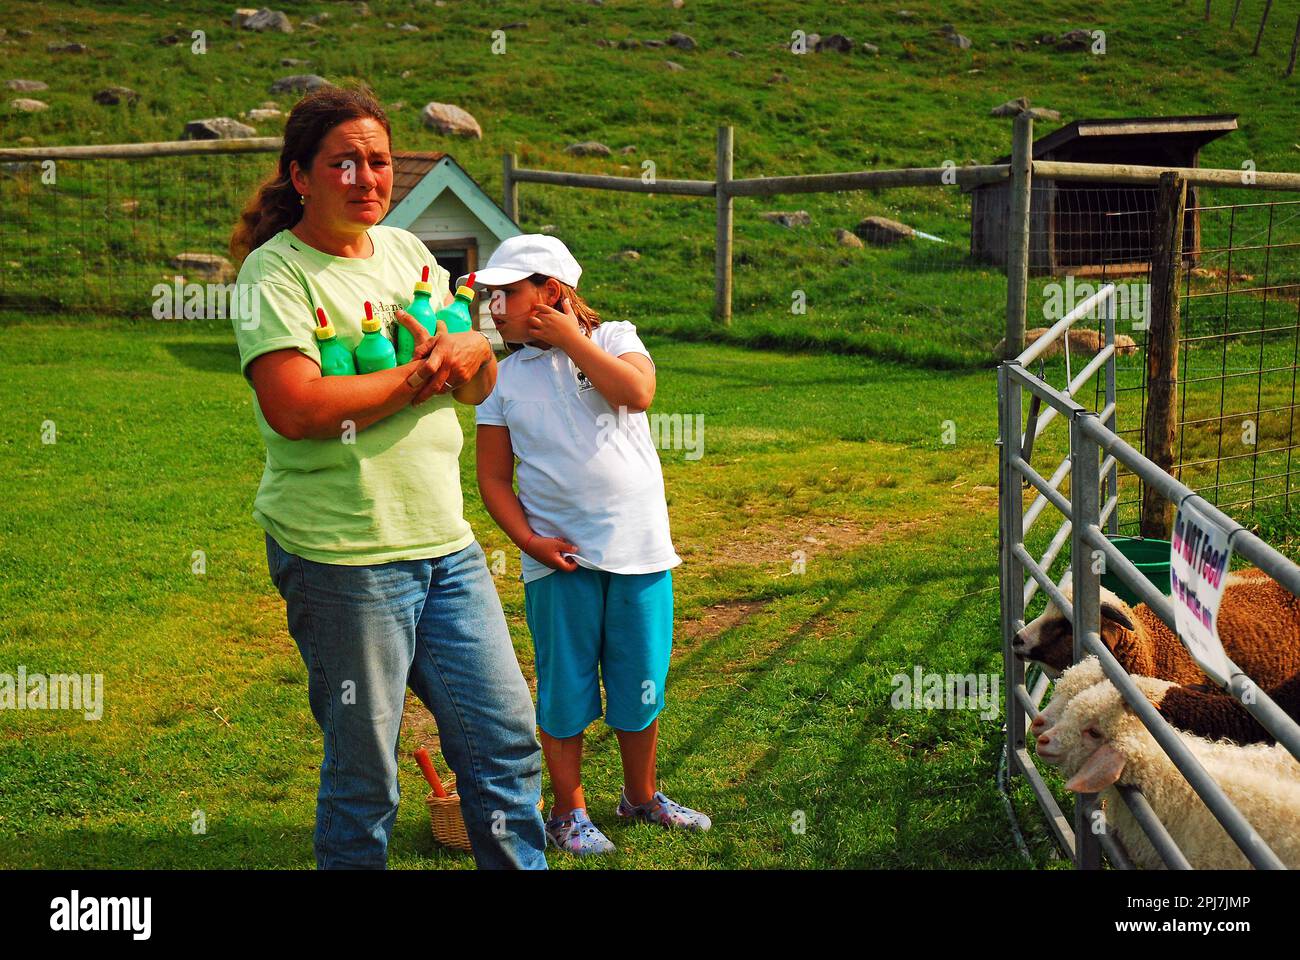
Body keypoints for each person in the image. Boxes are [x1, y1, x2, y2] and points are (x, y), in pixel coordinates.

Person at [228, 85, 546, 869]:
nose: (368, 177)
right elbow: (297, 407)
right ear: (301, 175)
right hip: (343, 557)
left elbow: (473, 385)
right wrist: (413, 379)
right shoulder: (276, 276)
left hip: (446, 545)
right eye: (344, 162)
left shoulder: (408, 255)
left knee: (505, 744)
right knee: (366, 775)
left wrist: (474, 354)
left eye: (379, 161)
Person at [474, 234, 712, 855]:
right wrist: (528, 540)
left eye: (508, 294)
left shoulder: (613, 339)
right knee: (566, 685)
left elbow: (636, 394)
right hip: (559, 560)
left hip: (639, 550)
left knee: (639, 682)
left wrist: (571, 339)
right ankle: (567, 809)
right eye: (491, 296)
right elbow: (494, 478)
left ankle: (640, 796)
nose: (495, 308)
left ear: (551, 292)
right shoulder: (501, 377)